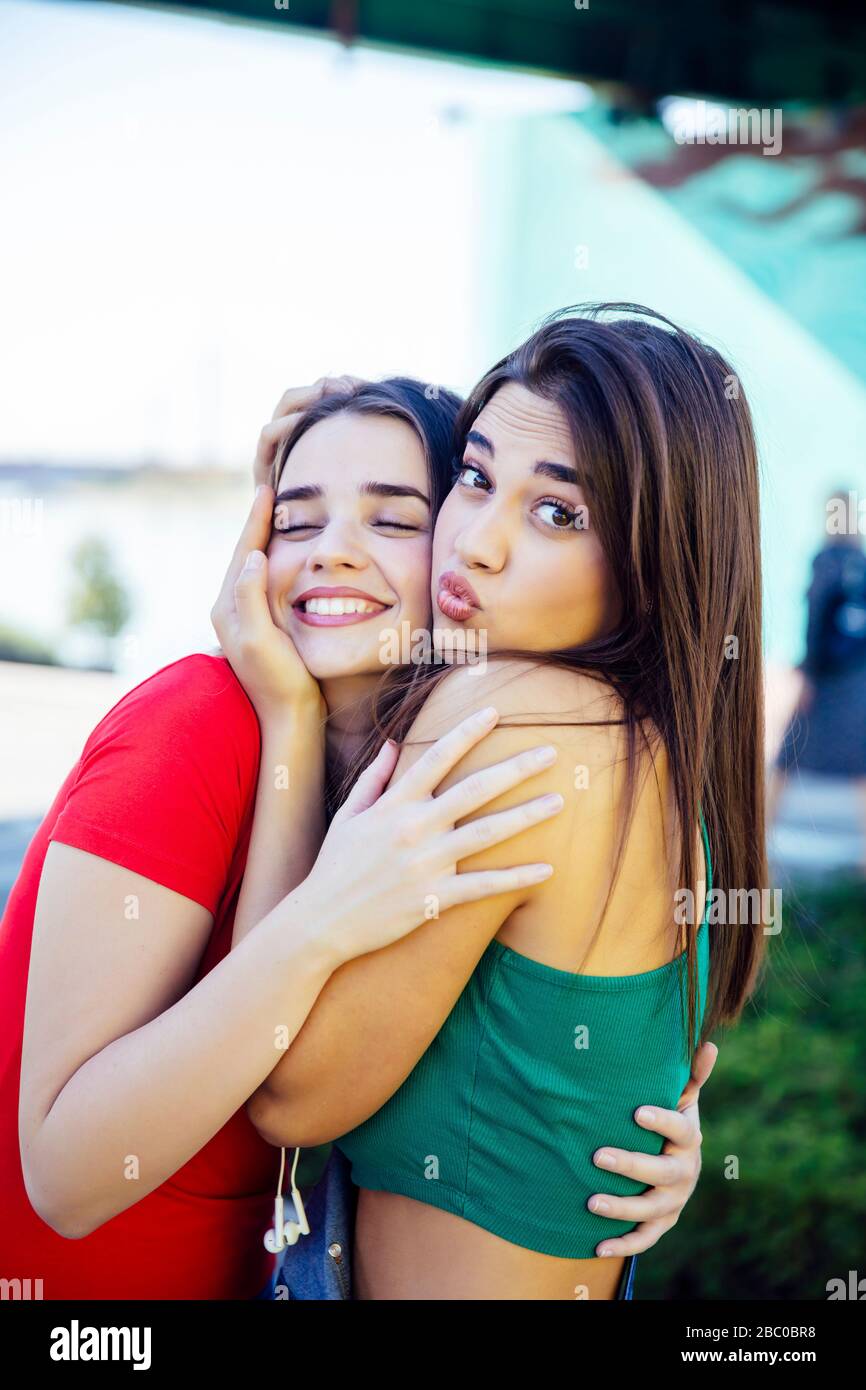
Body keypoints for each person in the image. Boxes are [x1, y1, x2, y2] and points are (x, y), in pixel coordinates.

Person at [0, 375, 706, 1302]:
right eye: (295, 522)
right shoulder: (196, 724)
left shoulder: (434, 780)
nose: (331, 553)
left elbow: (477, 1059)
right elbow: (68, 1176)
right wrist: (317, 890)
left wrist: (624, 1129)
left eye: (393, 519)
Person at [217, 302, 763, 1300]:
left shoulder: (509, 716)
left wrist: (288, 717)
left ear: (658, 556)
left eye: (559, 512)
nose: (475, 541)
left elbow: (284, 1089)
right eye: (471, 477)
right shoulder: (648, 750)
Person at [767, 489, 866, 872]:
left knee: (787, 757)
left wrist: (806, 674)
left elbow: (814, 621)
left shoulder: (826, 559)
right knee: (860, 766)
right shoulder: (860, 561)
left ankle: (758, 837)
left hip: (826, 682)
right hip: (858, 683)